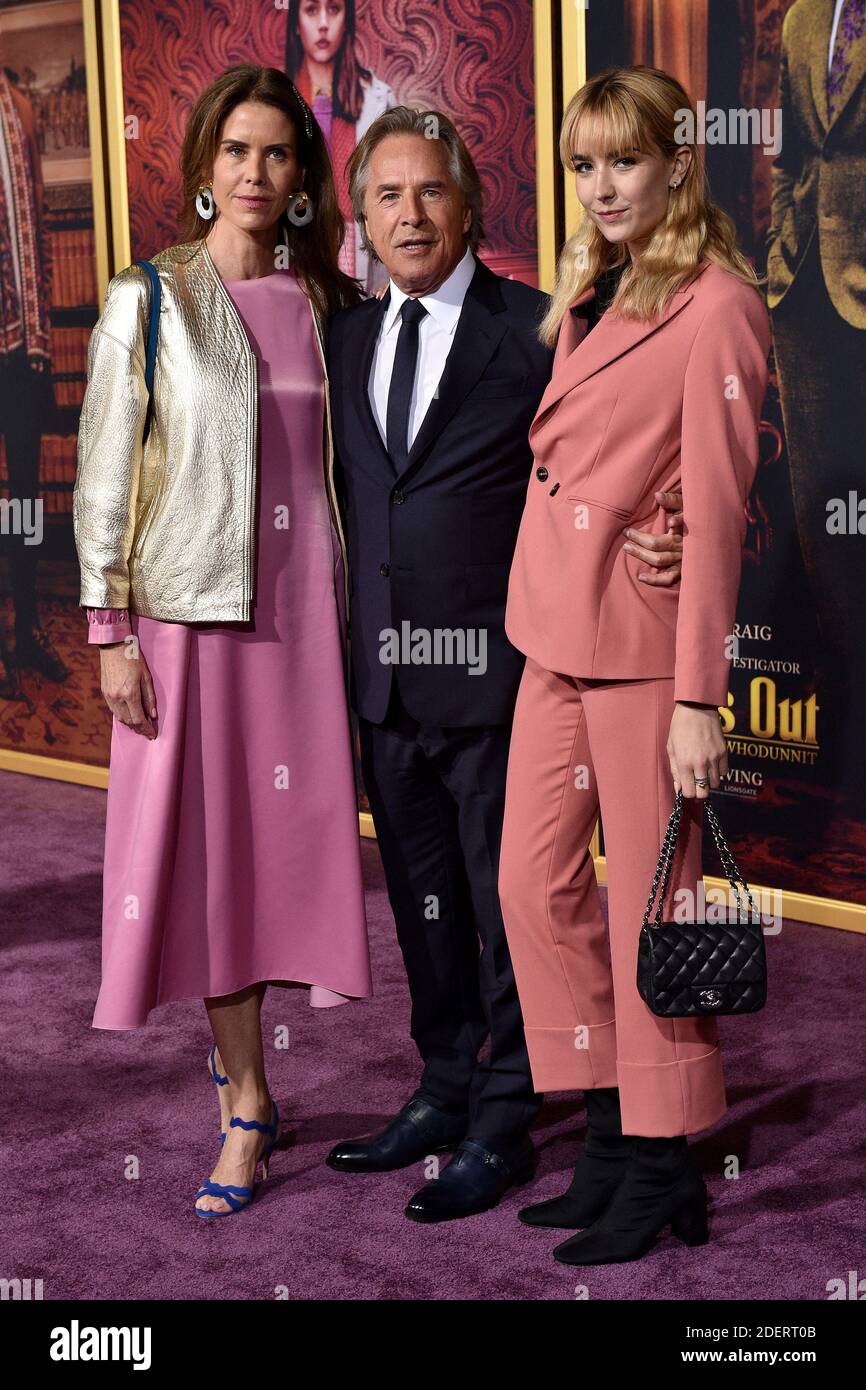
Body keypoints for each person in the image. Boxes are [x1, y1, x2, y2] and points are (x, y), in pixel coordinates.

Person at [324, 105, 685, 1223]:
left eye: (429, 190)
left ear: (469, 204)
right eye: (384, 195)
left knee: (511, 903)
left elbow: (639, 429)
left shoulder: (539, 325)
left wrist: (660, 519)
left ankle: (507, 1114)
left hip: (503, 672)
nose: (408, 213)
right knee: (426, 905)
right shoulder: (343, 336)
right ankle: (441, 1084)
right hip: (382, 679)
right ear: (360, 220)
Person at [73, 65, 370, 1218]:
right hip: (187, 623)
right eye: (236, 152)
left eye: (278, 155)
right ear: (202, 165)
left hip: (303, 625)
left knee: (280, 857)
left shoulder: (330, 306)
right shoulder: (145, 297)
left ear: (302, 177)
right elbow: (103, 477)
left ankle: (253, 1081)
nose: (256, 174)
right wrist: (109, 630)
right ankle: (245, 1100)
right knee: (208, 868)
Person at [497, 65, 771, 1265]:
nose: (602, 185)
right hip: (549, 628)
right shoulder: (591, 286)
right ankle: (608, 1128)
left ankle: (662, 1161)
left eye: (622, 160)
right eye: (583, 164)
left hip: (642, 651)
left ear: (674, 162)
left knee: (647, 903)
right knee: (529, 882)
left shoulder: (714, 305)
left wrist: (699, 695)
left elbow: (717, 513)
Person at [768, 0, 866, 819]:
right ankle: (853, 744)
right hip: (804, 306)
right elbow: (791, 159)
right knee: (823, 529)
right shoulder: (805, 18)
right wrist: (778, 259)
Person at [0, 61, 67, 696]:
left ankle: (25, 629)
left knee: (24, 499)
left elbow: (37, 226)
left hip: (20, 343)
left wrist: (40, 336)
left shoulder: (17, 103)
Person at [285, 0, 394, 291]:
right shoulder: (279, 101)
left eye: (333, 9)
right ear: (296, 23)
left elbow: (391, 195)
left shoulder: (378, 100)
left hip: (360, 251)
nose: (323, 23)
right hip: (296, 246)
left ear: (347, 21)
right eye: (311, 10)